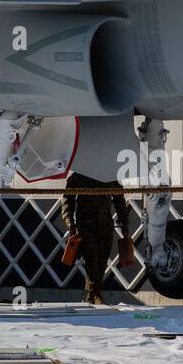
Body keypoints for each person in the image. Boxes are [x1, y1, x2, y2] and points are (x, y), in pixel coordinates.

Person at [60, 116, 138, 305]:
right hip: (85, 226)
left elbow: (119, 200)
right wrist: (71, 225)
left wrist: (125, 226)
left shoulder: (108, 174)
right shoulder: (78, 177)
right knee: (92, 261)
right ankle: (95, 295)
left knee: (102, 261)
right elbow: (67, 201)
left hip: (105, 225)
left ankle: (93, 295)